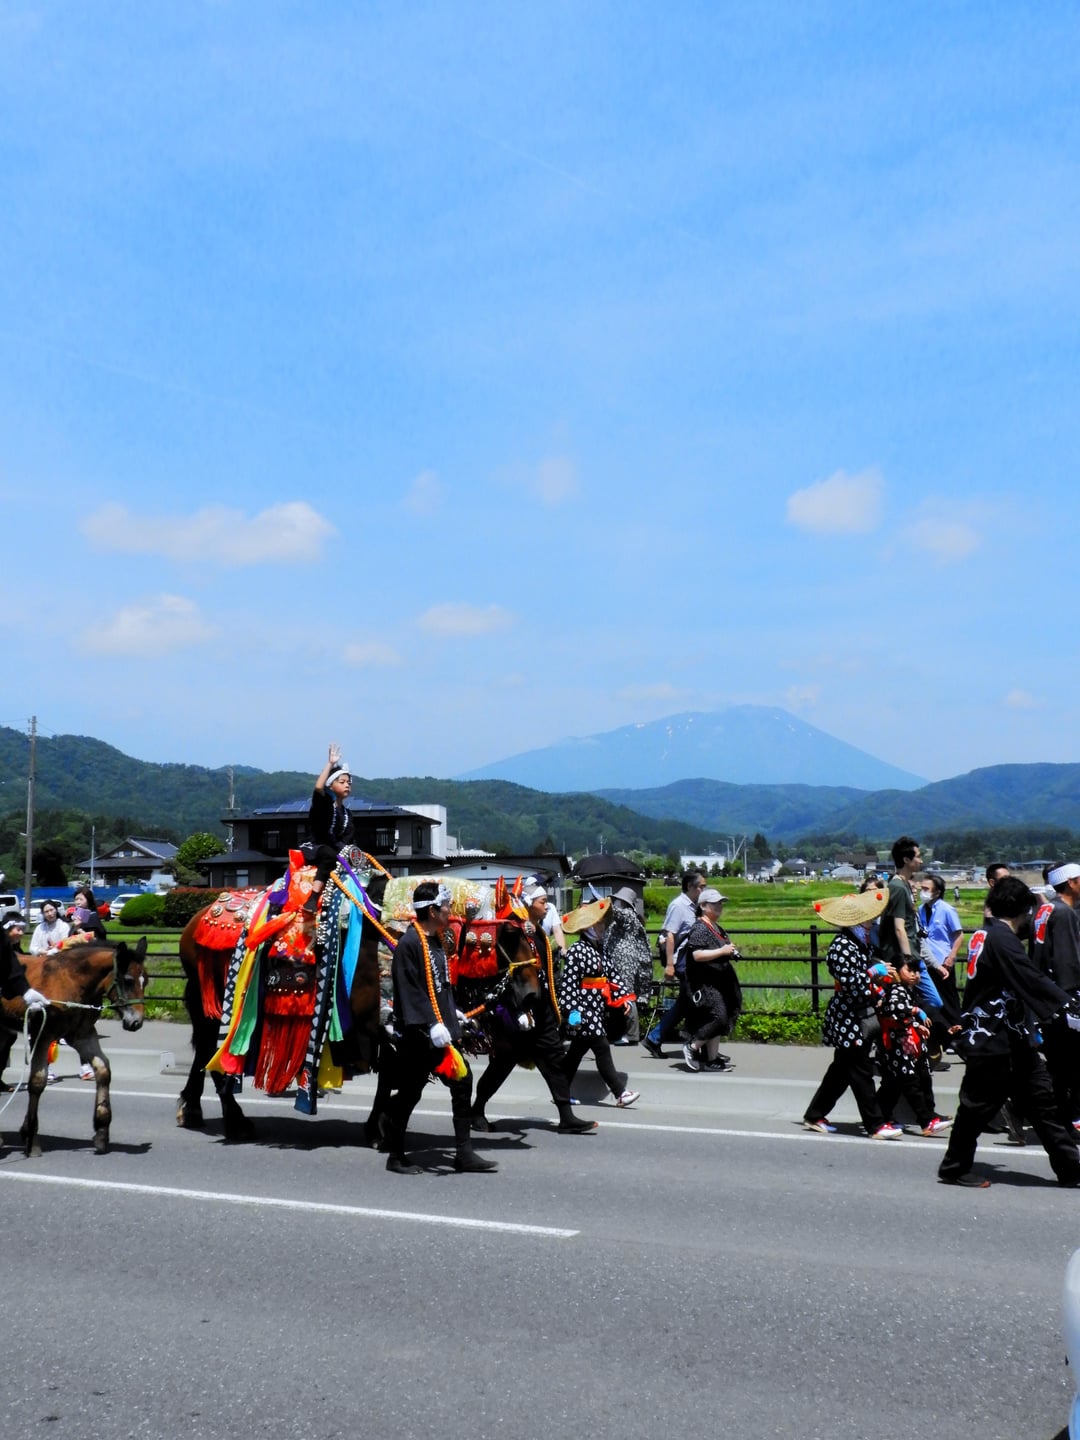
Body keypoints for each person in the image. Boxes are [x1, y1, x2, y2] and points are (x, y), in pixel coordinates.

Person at [938, 876, 1080, 1189]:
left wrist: (1043, 906)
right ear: (1020, 910)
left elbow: (1029, 938)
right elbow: (1031, 978)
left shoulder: (989, 933)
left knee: (1044, 1103)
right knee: (976, 1107)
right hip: (992, 1039)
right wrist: (1070, 1006)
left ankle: (1071, 1169)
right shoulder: (1002, 941)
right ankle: (953, 1168)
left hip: (1010, 1037)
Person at [381, 881, 496, 1175]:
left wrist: (451, 1013)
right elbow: (412, 990)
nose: (449, 910)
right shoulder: (410, 943)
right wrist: (432, 1024)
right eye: (446, 906)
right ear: (432, 910)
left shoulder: (436, 941)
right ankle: (395, 1154)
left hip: (438, 1030)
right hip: (419, 1035)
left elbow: (438, 986)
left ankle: (463, 1153)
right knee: (411, 1093)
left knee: (460, 1081)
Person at [469, 903, 597, 1136]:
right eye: (541, 902)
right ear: (528, 907)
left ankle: (566, 1117)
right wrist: (516, 1008)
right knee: (502, 1064)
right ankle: (477, 1110)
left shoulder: (536, 933)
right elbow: (504, 974)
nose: (546, 906)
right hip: (517, 1009)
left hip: (542, 1006)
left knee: (554, 1058)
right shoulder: (510, 934)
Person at [802, 888, 902, 1139]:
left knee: (841, 1070)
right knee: (861, 1071)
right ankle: (875, 1124)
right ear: (855, 921)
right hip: (849, 1016)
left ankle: (815, 1114)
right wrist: (874, 973)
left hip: (855, 1013)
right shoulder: (842, 946)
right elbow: (851, 983)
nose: (871, 922)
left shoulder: (858, 943)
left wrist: (877, 980)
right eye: (867, 919)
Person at [559, 899, 639, 1108]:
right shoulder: (577, 950)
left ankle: (560, 1090)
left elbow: (612, 976)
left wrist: (624, 998)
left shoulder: (598, 949)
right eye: (599, 924)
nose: (603, 927)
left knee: (575, 1053)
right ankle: (620, 1093)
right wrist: (572, 1011)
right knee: (602, 1047)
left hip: (596, 1008)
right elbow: (569, 983)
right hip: (583, 1010)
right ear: (588, 927)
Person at [875, 955, 951, 1136]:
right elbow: (895, 1010)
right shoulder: (896, 990)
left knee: (896, 1084)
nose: (915, 975)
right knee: (910, 1082)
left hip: (908, 1042)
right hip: (898, 1044)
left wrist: (917, 1024)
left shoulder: (907, 990)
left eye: (917, 971)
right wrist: (917, 1012)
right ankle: (926, 1121)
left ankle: (881, 1116)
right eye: (910, 970)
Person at [1030, 861, 1080, 1130]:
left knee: (1059, 1063)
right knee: (1068, 1064)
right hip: (1064, 998)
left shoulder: (1044, 908)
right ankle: (1066, 1117)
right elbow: (1068, 962)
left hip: (1043, 996)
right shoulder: (1065, 913)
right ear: (1071, 882)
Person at [641, 869, 705, 1058]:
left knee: (687, 1003)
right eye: (701, 886)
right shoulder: (678, 905)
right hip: (682, 962)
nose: (704, 889)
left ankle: (657, 1038)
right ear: (690, 887)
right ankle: (696, 1044)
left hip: (691, 962)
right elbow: (670, 935)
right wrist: (670, 965)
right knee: (694, 1001)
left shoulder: (695, 906)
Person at [681, 888, 741, 1072]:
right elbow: (697, 955)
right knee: (719, 1017)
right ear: (703, 906)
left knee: (720, 1016)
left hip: (720, 980)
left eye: (721, 903)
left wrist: (730, 950)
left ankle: (711, 1059)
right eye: (715, 903)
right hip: (705, 982)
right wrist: (722, 951)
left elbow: (723, 947)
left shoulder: (717, 928)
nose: (719, 906)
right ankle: (692, 1046)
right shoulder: (699, 927)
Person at [880, 836, 942, 1014]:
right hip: (906, 958)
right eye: (918, 856)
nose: (921, 860)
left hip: (912, 954)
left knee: (913, 1000)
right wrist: (909, 963)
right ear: (906, 860)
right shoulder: (898, 887)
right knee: (934, 1001)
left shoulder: (904, 884)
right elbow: (899, 928)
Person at [301, 742, 355, 913]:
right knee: (329, 855)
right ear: (331, 785)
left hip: (335, 849)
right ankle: (313, 898)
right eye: (342, 781)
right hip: (316, 847)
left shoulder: (347, 814)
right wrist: (331, 763)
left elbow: (347, 841)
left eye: (349, 782)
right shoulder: (323, 803)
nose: (347, 785)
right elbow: (318, 787)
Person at [0, 913, 49, 1091]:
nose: (21, 933)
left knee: (7, 1035)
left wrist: (27, 993)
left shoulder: (5, 943)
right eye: (17, 929)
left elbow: (12, 969)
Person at [604, 886, 653, 1044]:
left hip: (625, 963)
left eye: (618, 900)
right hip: (619, 962)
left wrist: (602, 901)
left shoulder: (628, 915)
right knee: (620, 995)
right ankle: (618, 1030)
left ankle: (632, 1035)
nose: (615, 902)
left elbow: (616, 912)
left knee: (627, 995)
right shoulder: (625, 917)